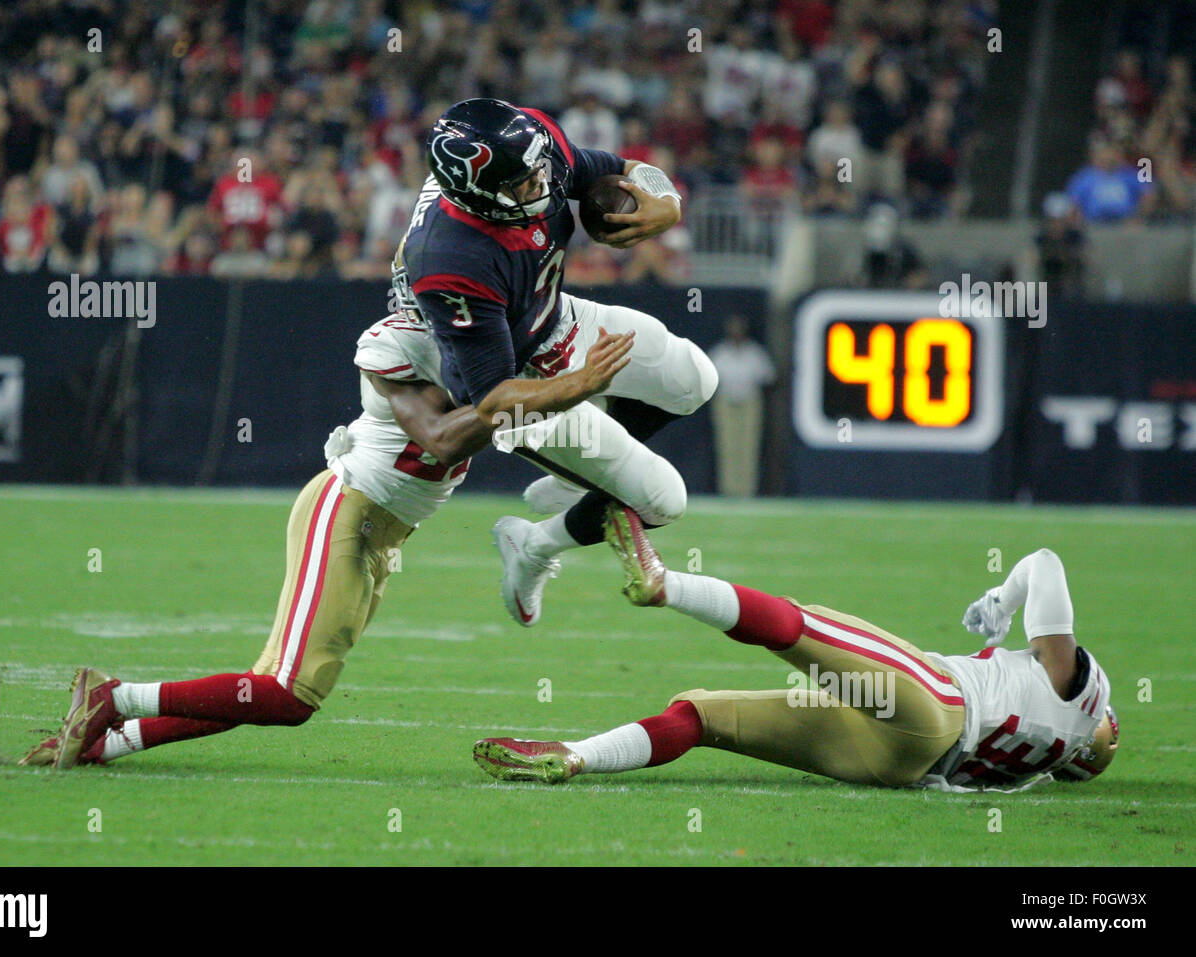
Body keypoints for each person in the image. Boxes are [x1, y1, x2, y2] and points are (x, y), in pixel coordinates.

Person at [20, 314, 634, 770]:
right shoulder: (400, 344)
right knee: (290, 693)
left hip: (387, 532)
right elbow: (446, 435)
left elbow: (526, 414)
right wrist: (563, 387)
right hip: (350, 508)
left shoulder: (489, 343)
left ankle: (107, 739)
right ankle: (113, 696)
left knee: (267, 692)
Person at [474, 506, 1117, 791]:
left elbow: (1045, 562)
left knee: (800, 629)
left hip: (938, 707)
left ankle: (664, 583)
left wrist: (1001, 602)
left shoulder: (1074, 698)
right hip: (897, 764)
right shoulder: (1038, 761)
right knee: (702, 716)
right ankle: (577, 757)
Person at [394, 98, 718, 628]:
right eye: (521, 185)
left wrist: (667, 201)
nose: (542, 187)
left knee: (694, 379)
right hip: (517, 380)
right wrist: (582, 383)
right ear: (478, 196)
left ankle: (538, 536)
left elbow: (624, 169)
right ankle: (541, 545)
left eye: (539, 171)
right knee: (663, 500)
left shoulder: (533, 147)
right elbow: (493, 400)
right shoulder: (450, 257)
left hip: (553, 320)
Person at [708, 316, 775, 497]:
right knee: (727, 447)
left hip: (749, 402)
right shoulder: (720, 353)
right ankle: (728, 490)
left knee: (748, 448)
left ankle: (746, 491)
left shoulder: (754, 353)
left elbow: (769, 378)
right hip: (726, 403)